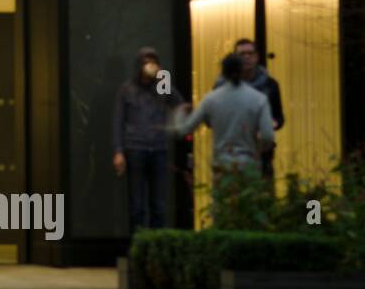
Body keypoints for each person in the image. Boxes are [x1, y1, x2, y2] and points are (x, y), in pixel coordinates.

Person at [176, 53, 275, 193]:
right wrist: (257, 151)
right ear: (242, 71)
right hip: (249, 165)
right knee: (248, 210)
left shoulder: (210, 100)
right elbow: (268, 137)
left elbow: (184, 129)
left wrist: (180, 112)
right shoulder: (259, 99)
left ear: (223, 72)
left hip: (222, 167)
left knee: (224, 210)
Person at [112, 46, 184, 233]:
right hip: (135, 148)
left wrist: (163, 79)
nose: (149, 66)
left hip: (159, 148)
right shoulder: (127, 89)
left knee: (159, 204)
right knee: (137, 205)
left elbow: (179, 105)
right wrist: (118, 151)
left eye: (153, 62)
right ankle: (138, 247)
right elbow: (118, 121)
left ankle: (156, 248)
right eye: (146, 62)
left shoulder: (162, 83)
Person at [213, 39, 284, 184]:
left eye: (250, 53)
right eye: (242, 54)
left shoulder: (270, 85)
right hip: (230, 153)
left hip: (262, 153)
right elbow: (213, 119)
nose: (246, 57)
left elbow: (279, 117)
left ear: (257, 57)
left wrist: (271, 125)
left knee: (263, 197)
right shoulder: (222, 87)